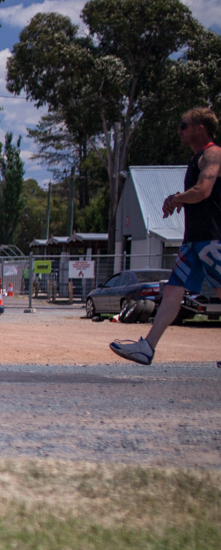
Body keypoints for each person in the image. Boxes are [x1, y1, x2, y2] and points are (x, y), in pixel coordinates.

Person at [111, 108, 221, 365]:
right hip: (193, 242)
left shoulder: (213, 154)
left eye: (184, 125)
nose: (179, 130)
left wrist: (176, 199)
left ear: (200, 128)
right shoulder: (195, 159)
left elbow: (203, 190)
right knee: (172, 291)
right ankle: (147, 347)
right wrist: (179, 199)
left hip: (212, 240)